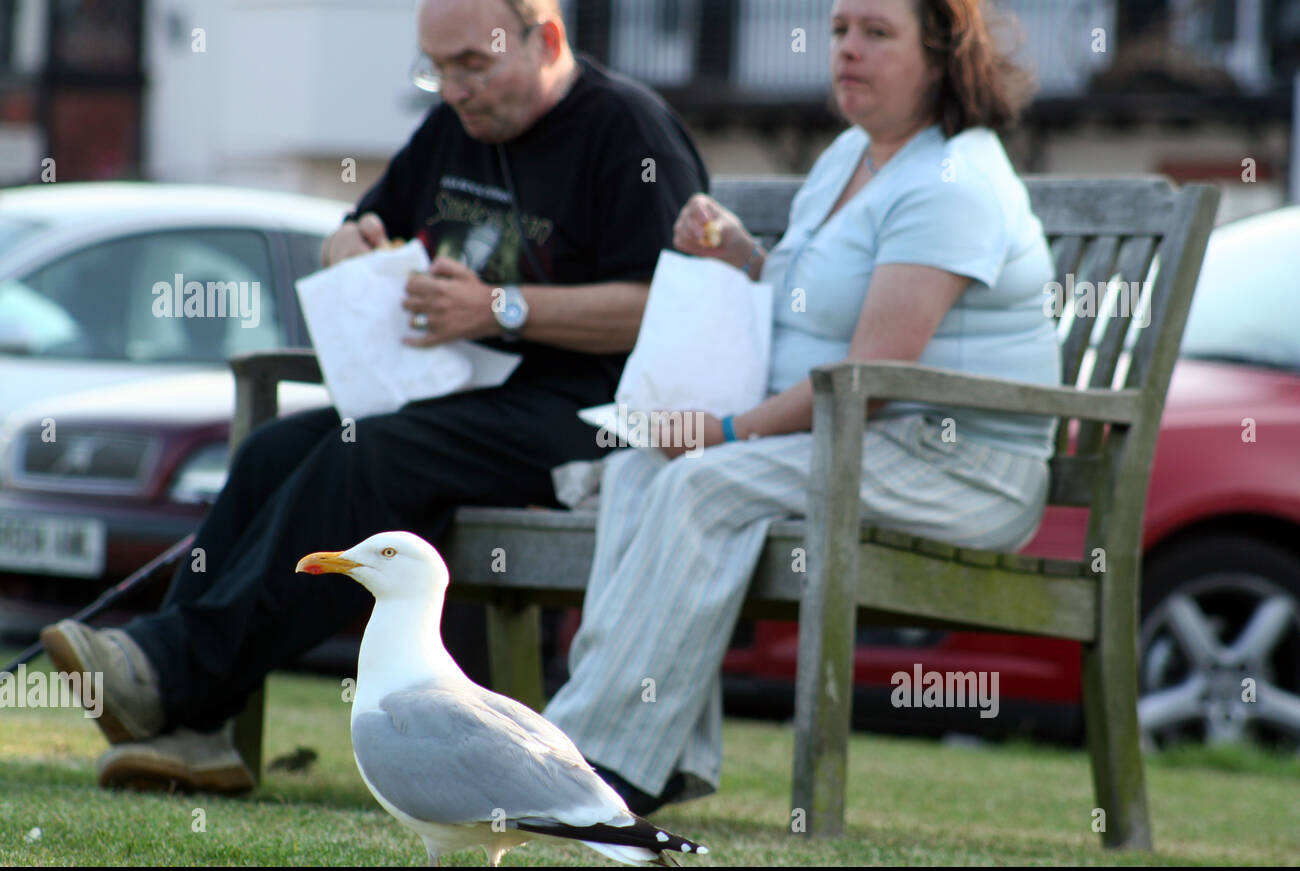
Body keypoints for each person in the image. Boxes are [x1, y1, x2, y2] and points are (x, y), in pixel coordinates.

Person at [40, 0, 708, 792]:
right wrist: (346, 241)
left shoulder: (627, 132)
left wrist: (501, 306)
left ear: (547, 39)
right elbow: (364, 224)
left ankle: (168, 675)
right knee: (273, 448)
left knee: (381, 456)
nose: (455, 89)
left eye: (473, 64)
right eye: (438, 68)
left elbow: (670, 306)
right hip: (454, 397)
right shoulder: (453, 125)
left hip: (592, 415)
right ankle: (194, 722)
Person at [539, 0, 1062, 815]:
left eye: (877, 34)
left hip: (956, 465)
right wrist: (743, 254)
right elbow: (808, 301)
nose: (848, 50)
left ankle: (588, 763)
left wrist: (722, 434)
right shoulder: (853, 155)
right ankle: (651, 753)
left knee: (702, 483)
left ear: (941, 54)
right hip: (857, 443)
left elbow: (873, 376)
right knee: (641, 464)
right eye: (840, 30)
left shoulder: (954, 182)